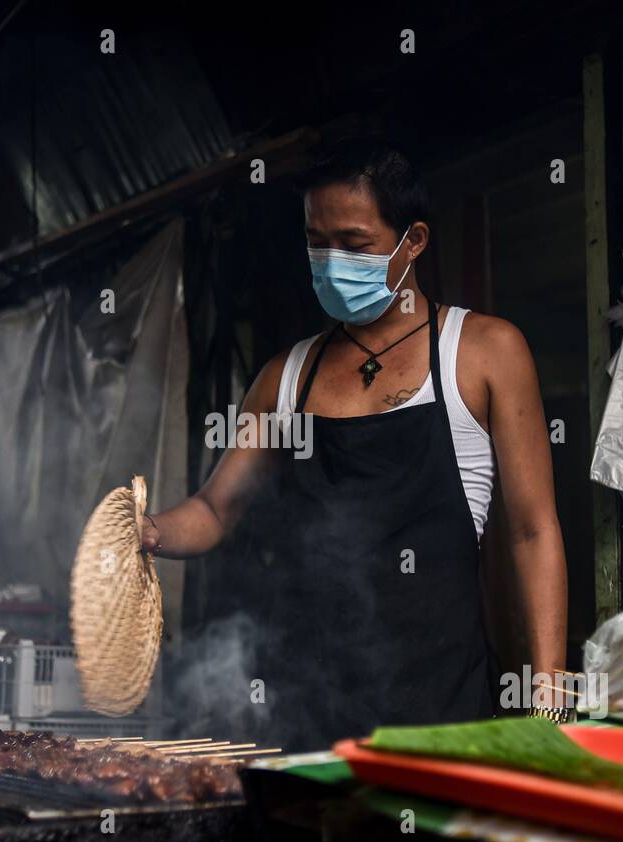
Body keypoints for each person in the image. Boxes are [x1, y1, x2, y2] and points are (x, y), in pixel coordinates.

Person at [142, 138, 569, 750]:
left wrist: (546, 685)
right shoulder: (284, 378)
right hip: (306, 716)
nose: (331, 259)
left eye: (354, 243)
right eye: (317, 241)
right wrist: (147, 531)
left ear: (413, 241)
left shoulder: (484, 353)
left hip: (441, 712)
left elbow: (533, 529)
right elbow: (216, 509)